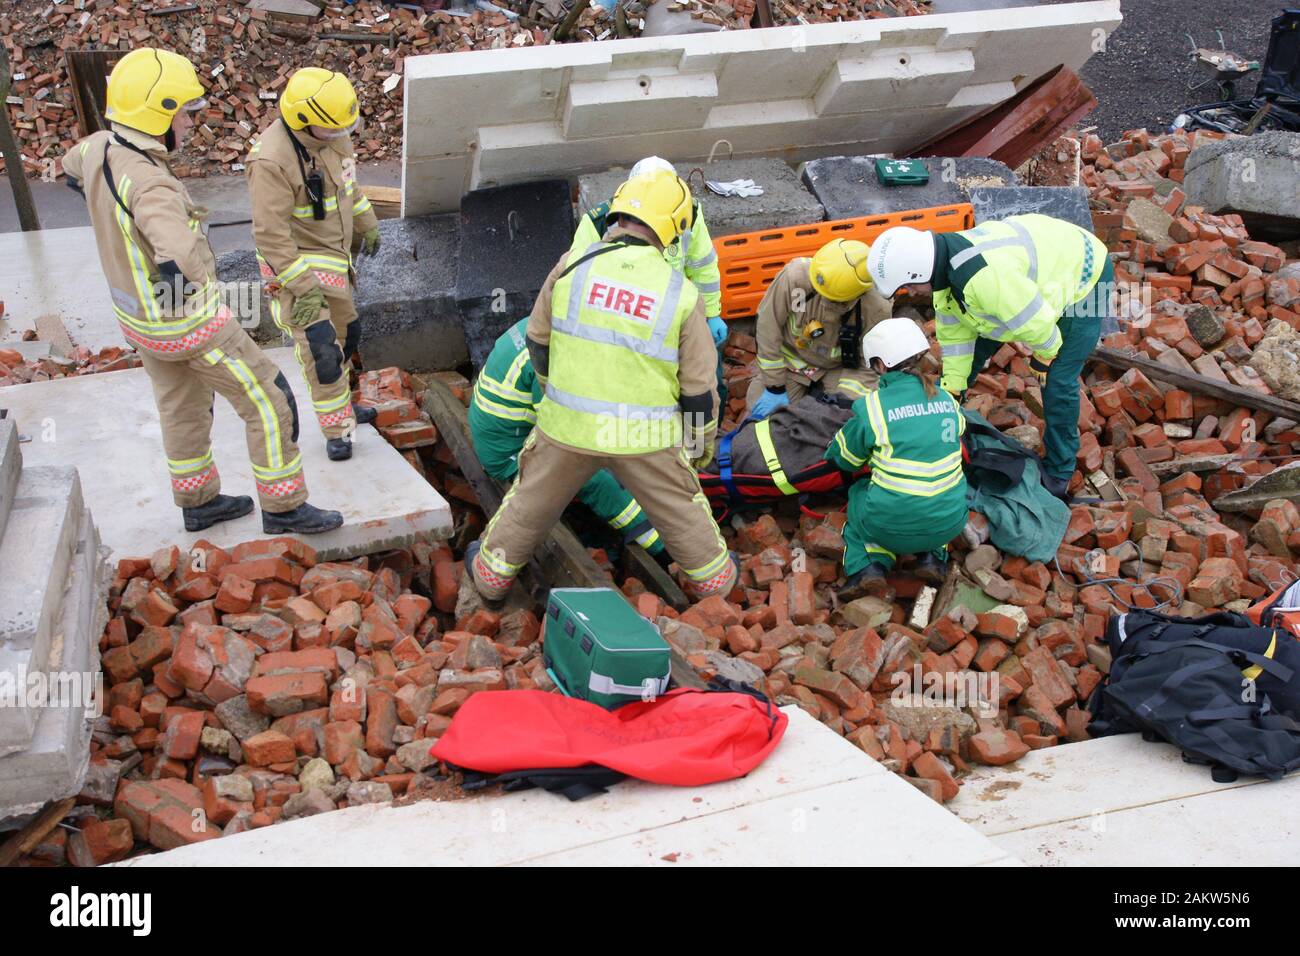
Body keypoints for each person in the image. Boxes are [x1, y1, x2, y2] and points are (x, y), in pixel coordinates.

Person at [62, 48, 342, 535]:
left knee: (181, 405)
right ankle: (284, 507)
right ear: (160, 113)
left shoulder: (99, 148)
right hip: (186, 322)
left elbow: (69, 168)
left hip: (139, 320)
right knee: (269, 400)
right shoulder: (151, 184)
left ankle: (197, 502)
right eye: (188, 113)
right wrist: (184, 277)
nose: (194, 122)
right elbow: (177, 255)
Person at [467, 169, 735, 602]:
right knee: (682, 508)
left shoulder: (571, 266)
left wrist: (556, 390)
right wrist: (696, 447)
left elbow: (538, 340)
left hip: (568, 428)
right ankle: (717, 584)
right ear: (676, 228)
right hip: (643, 437)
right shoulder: (681, 294)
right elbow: (699, 390)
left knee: (529, 504)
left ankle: (490, 577)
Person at [866, 214, 1113, 500]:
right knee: (978, 339)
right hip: (1038, 260)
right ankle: (950, 419)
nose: (910, 292)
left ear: (918, 271)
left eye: (909, 285)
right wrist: (953, 389)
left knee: (1057, 379)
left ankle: (1059, 471)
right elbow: (958, 339)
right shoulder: (944, 277)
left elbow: (1039, 325)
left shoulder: (986, 281)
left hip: (1084, 268)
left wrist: (1045, 356)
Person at [246, 67, 382, 462]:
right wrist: (301, 288)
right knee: (321, 349)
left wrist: (368, 224)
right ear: (305, 122)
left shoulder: (335, 137)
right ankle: (338, 430)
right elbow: (271, 236)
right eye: (334, 129)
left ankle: (343, 405)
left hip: (333, 264)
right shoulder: (271, 162)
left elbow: (350, 188)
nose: (343, 134)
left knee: (346, 337)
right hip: (295, 272)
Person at [468, 317, 666, 559]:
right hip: (508, 453)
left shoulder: (553, 320)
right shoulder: (555, 357)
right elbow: (561, 434)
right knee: (595, 479)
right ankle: (659, 545)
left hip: (503, 430)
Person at [573, 156, 730, 412]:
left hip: (673, 310)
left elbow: (702, 266)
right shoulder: (598, 222)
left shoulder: (687, 213)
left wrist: (712, 314)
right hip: (624, 314)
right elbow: (581, 278)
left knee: (707, 378)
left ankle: (705, 435)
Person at [825, 318, 967, 597]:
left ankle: (869, 566)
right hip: (950, 522)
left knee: (858, 496)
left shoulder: (873, 407)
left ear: (880, 365)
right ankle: (932, 557)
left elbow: (844, 460)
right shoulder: (948, 400)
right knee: (936, 495)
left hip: (888, 523)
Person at [748, 238, 892, 420]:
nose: (825, 302)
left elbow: (868, 363)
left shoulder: (876, 307)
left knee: (846, 420)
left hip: (838, 369)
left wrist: (843, 402)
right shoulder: (795, 278)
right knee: (760, 409)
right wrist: (774, 386)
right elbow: (768, 326)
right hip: (792, 362)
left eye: (833, 300)